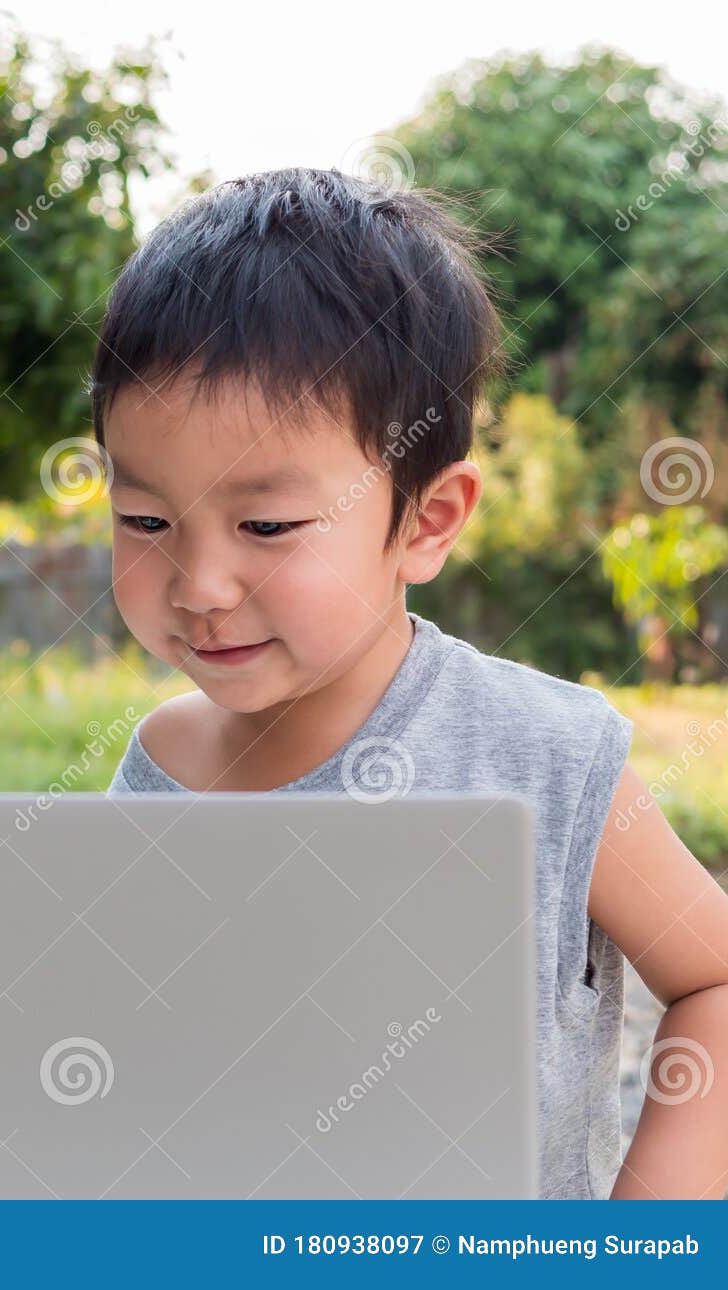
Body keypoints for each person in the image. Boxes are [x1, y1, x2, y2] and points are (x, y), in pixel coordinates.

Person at [95, 167, 728, 1200]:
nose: (199, 586)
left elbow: (714, 980)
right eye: (145, 521)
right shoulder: (159, 767)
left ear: (426, 520)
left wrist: (645, 1243)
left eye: (266, 527)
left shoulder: (543, 755)